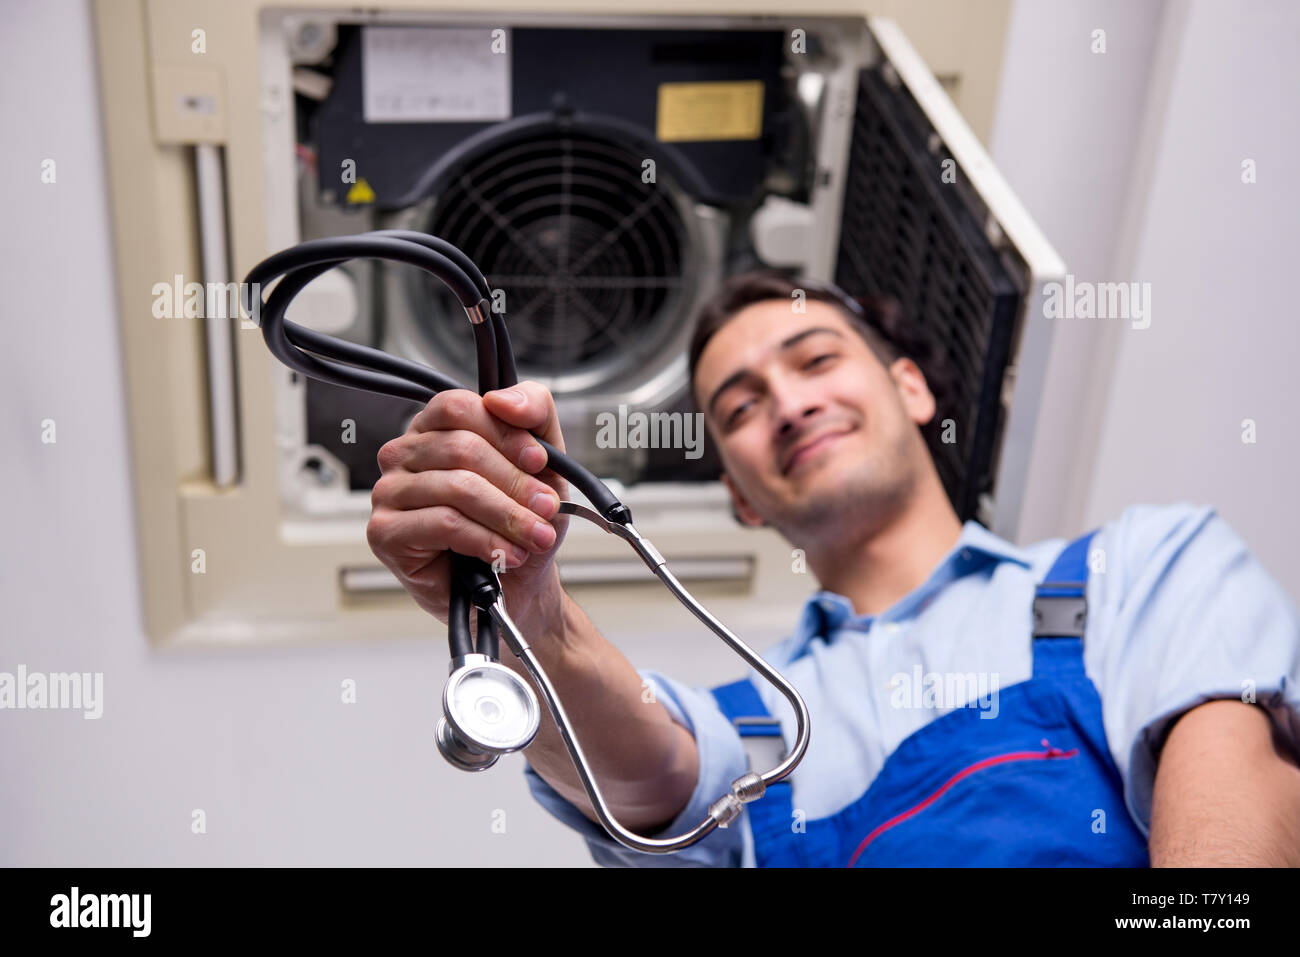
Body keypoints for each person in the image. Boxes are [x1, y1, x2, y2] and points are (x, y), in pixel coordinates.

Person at [365, 270, 1300, 867]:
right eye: (739, 408)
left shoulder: (1133, 570)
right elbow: (652, 778)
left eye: (815, 359)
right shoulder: (759, 720)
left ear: (910, 387)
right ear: (739, 493)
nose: (790, 404)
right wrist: (533, 613)